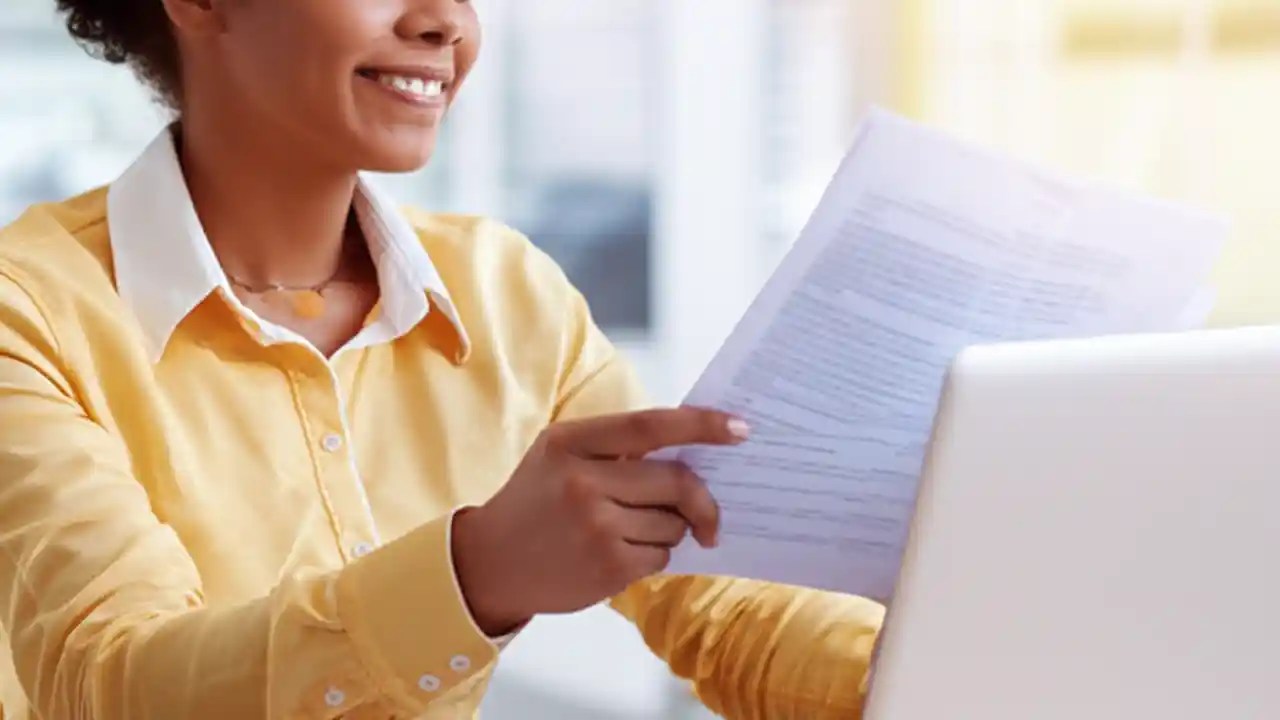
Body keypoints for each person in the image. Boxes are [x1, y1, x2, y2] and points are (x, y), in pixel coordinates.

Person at [0, 1, 884, 717]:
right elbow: (111, 684)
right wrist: (475, 575)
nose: (445, 23)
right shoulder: (29, 312)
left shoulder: (505, 290)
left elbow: (724, 606)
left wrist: (938, 663)